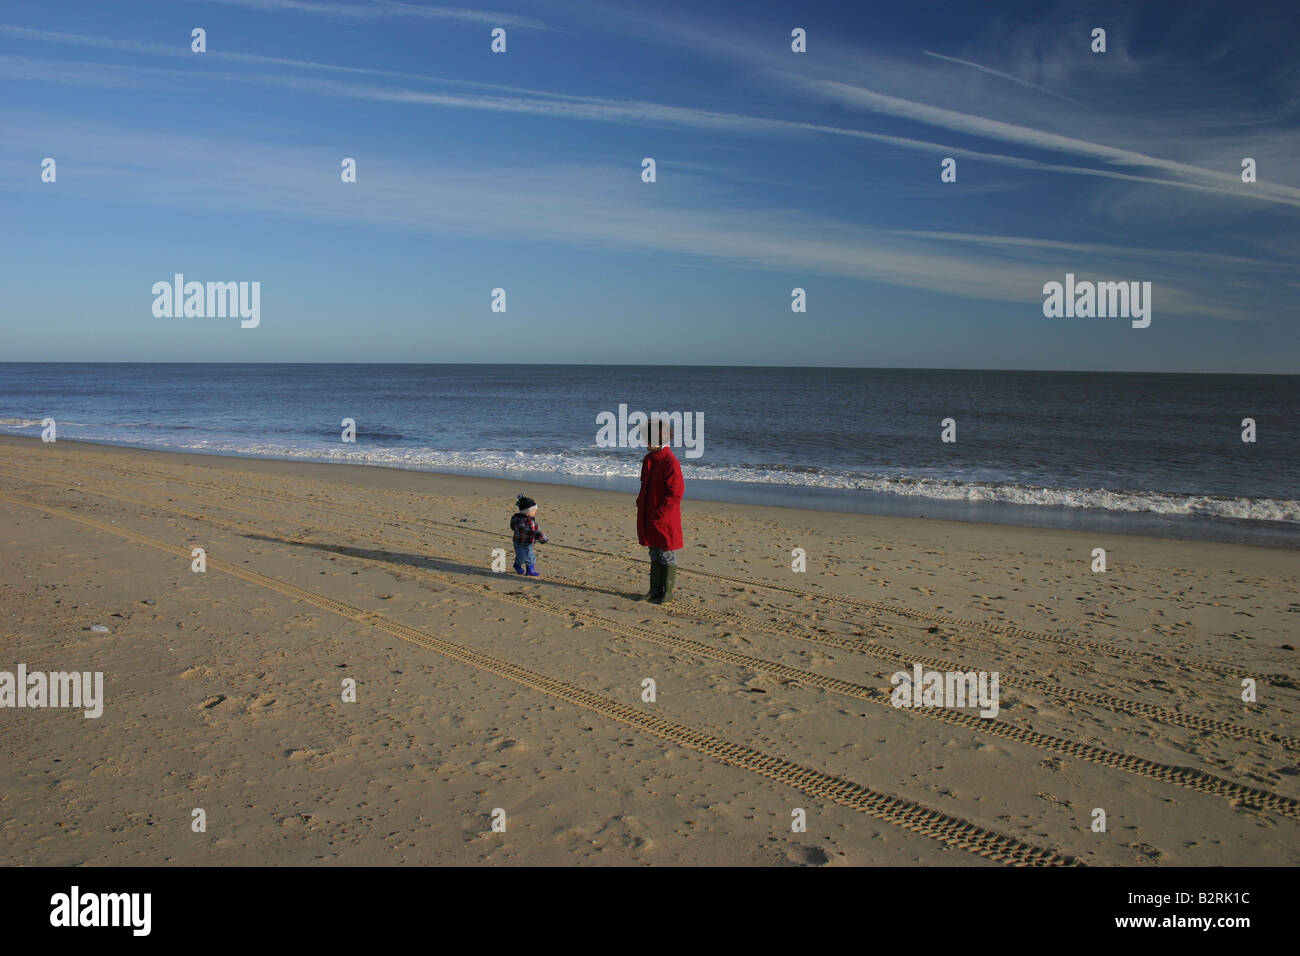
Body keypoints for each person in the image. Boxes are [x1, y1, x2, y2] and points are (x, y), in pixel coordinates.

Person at [635, 416, 684, 604]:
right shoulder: (649, 459)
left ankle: (667, 593)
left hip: (664, 517)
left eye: (648, 439)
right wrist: (640, 502)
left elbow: (676, 493)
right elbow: (644, 486)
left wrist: (661, 514)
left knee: (667, 553)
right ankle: (654, 590)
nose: (645, 443)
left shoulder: (670, 461)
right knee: (653, 552)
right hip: (649, 513)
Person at [509, 495, 548, 577]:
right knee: (522, 557)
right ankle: (517, 565)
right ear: (527, 511)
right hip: (520, 542)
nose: (536, 512)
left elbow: (537, 529)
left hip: (528, 542)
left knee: (530, 556)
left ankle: (530, 570)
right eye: (534, 511)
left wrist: (542, 538)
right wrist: (535, 534)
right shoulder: (519, 520)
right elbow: (523, 530)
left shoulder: (531, 519)